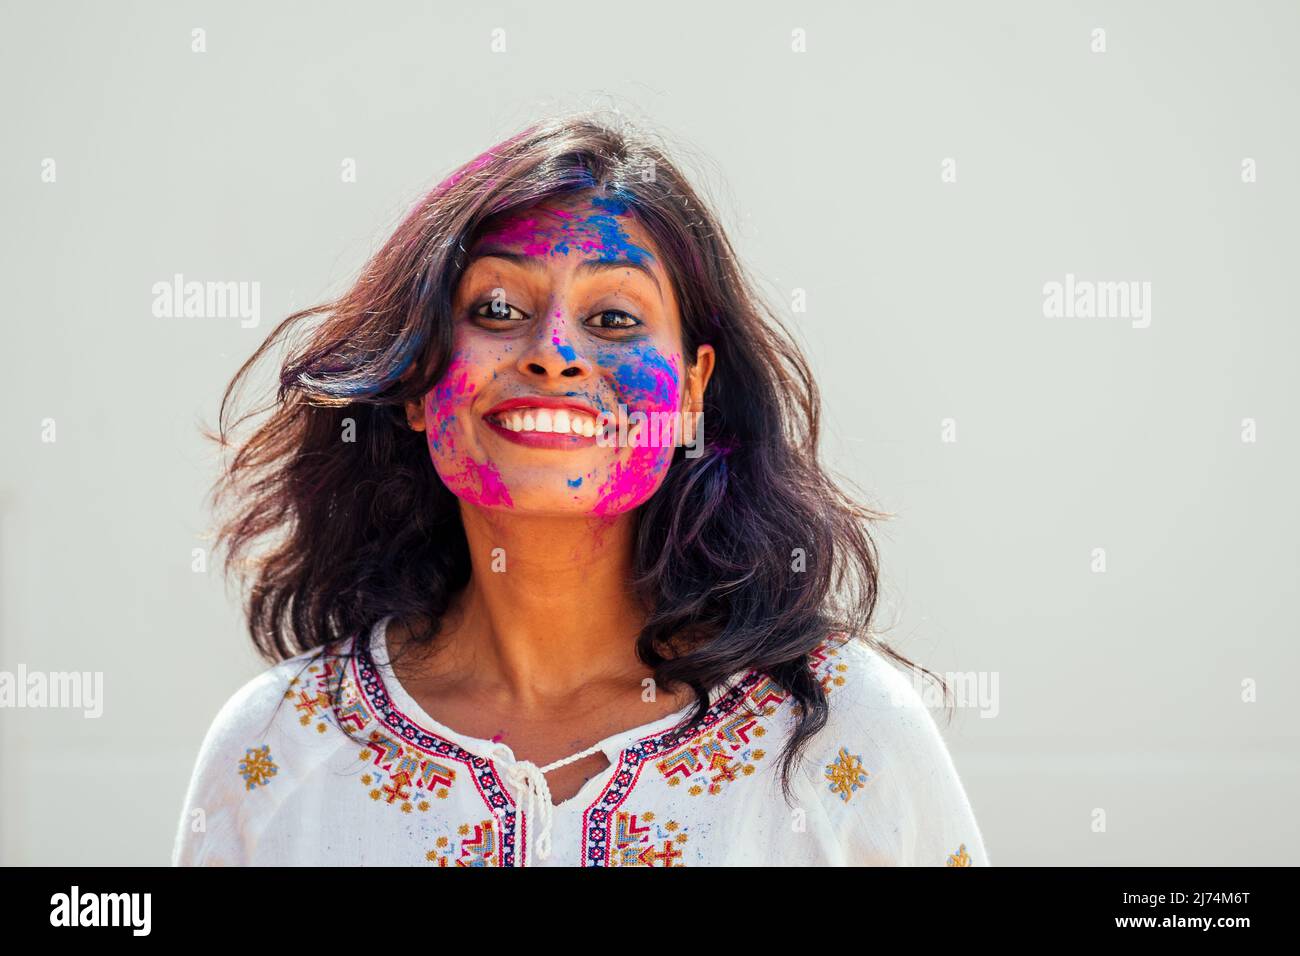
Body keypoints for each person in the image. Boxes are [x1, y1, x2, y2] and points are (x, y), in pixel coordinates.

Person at [171, 113, 990, 867]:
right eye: (497, 307)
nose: (555, 352)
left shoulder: (839, 735)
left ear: (693, 390)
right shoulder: (277, 751)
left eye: (615, 320)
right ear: (418, 378)